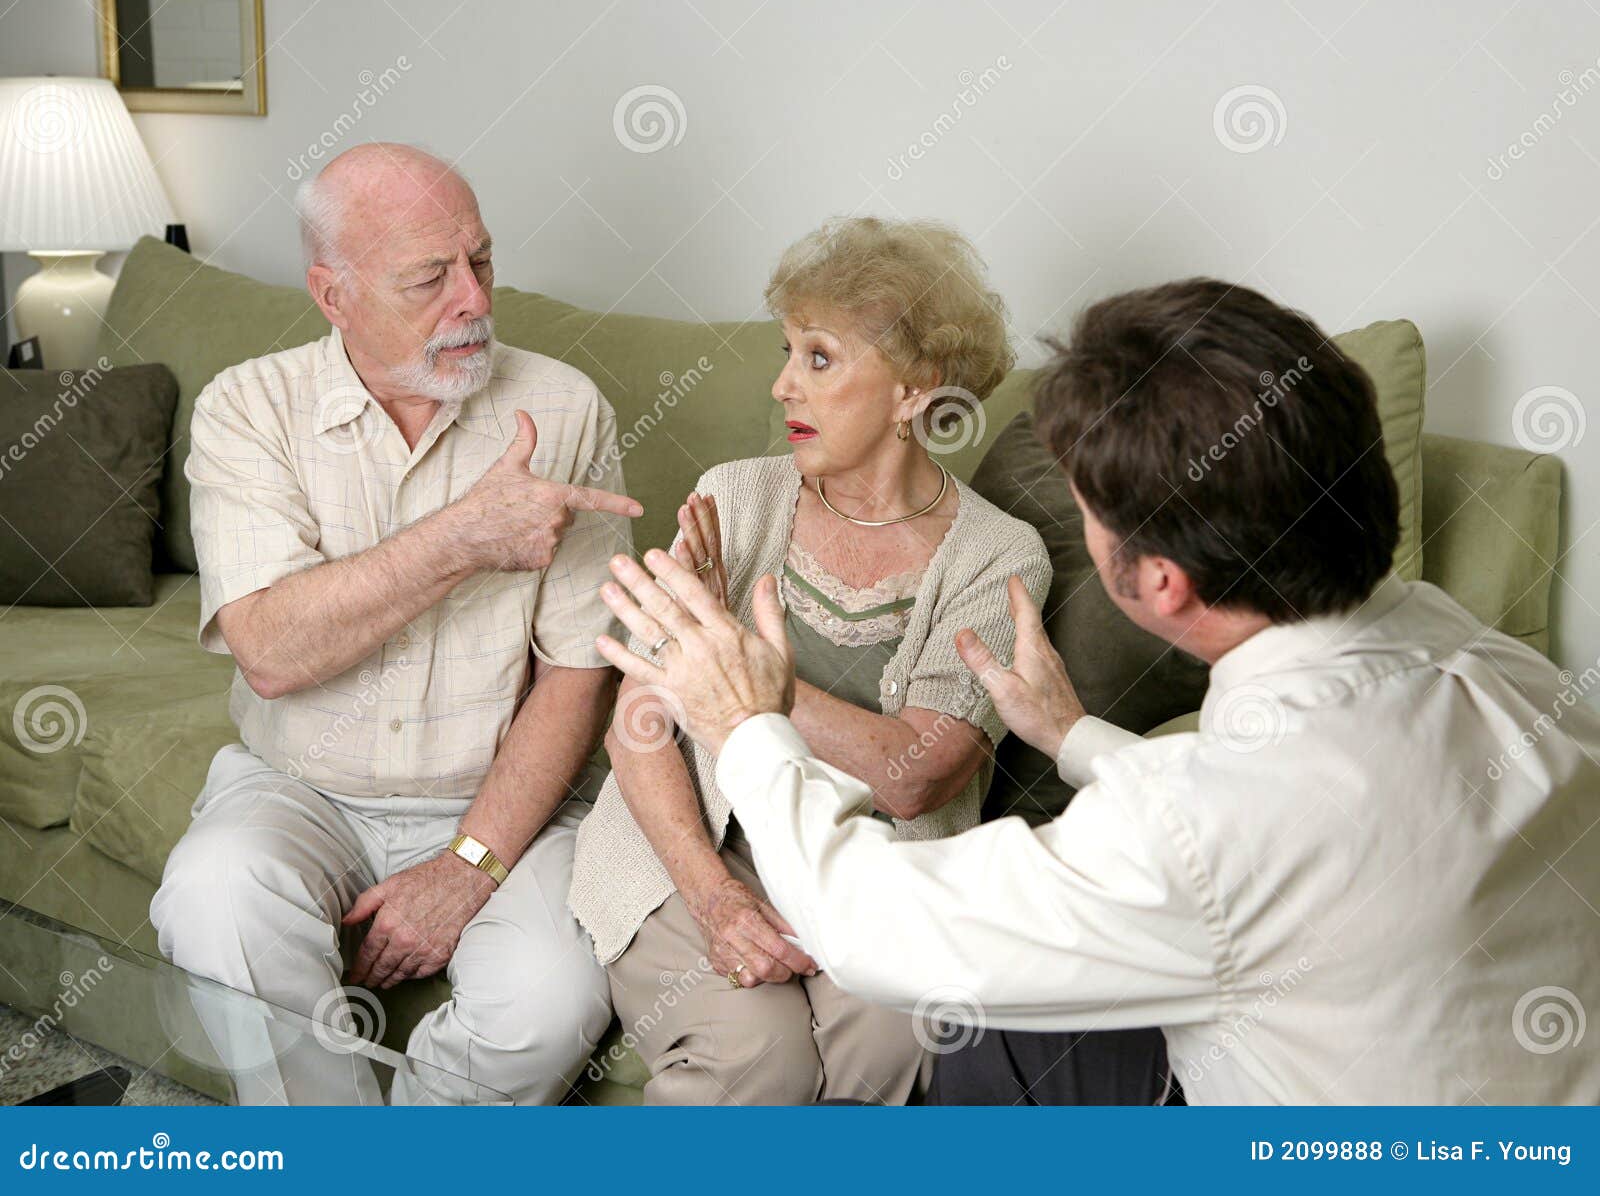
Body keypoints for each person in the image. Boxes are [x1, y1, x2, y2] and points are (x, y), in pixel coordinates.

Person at [591, 278, 1600, 1104]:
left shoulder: (1199, 825)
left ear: (1158, 583)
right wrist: (1073, 737)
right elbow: (1279, 813)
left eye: (1086, 512)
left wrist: (746, 718)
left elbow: (870, 927)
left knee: (966, 1027)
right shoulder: (1505, 673)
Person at [150, 143, 643, 1105]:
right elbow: (270, 651)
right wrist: (464, 538)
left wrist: (469, 865)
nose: (475, 299)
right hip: (302, 789)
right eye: (430, 278)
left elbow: (578, 676)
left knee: (550, 996)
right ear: (333, 295)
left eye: (481, 260)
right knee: (213, 900)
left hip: (503, 801)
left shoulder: (563, 407)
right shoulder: (248, 408)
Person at [568, 217, 1074, 1105]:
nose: (782, 384)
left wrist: (744, 677)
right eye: (787, 351)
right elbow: (638, 726)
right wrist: (714, 897)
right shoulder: (734, 498)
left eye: (820, 358)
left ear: (914, 390)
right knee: (758, 1056)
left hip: (873, 868)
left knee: (887, 1042)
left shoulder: (999, 556)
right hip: (693, 849)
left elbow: (913, 778)